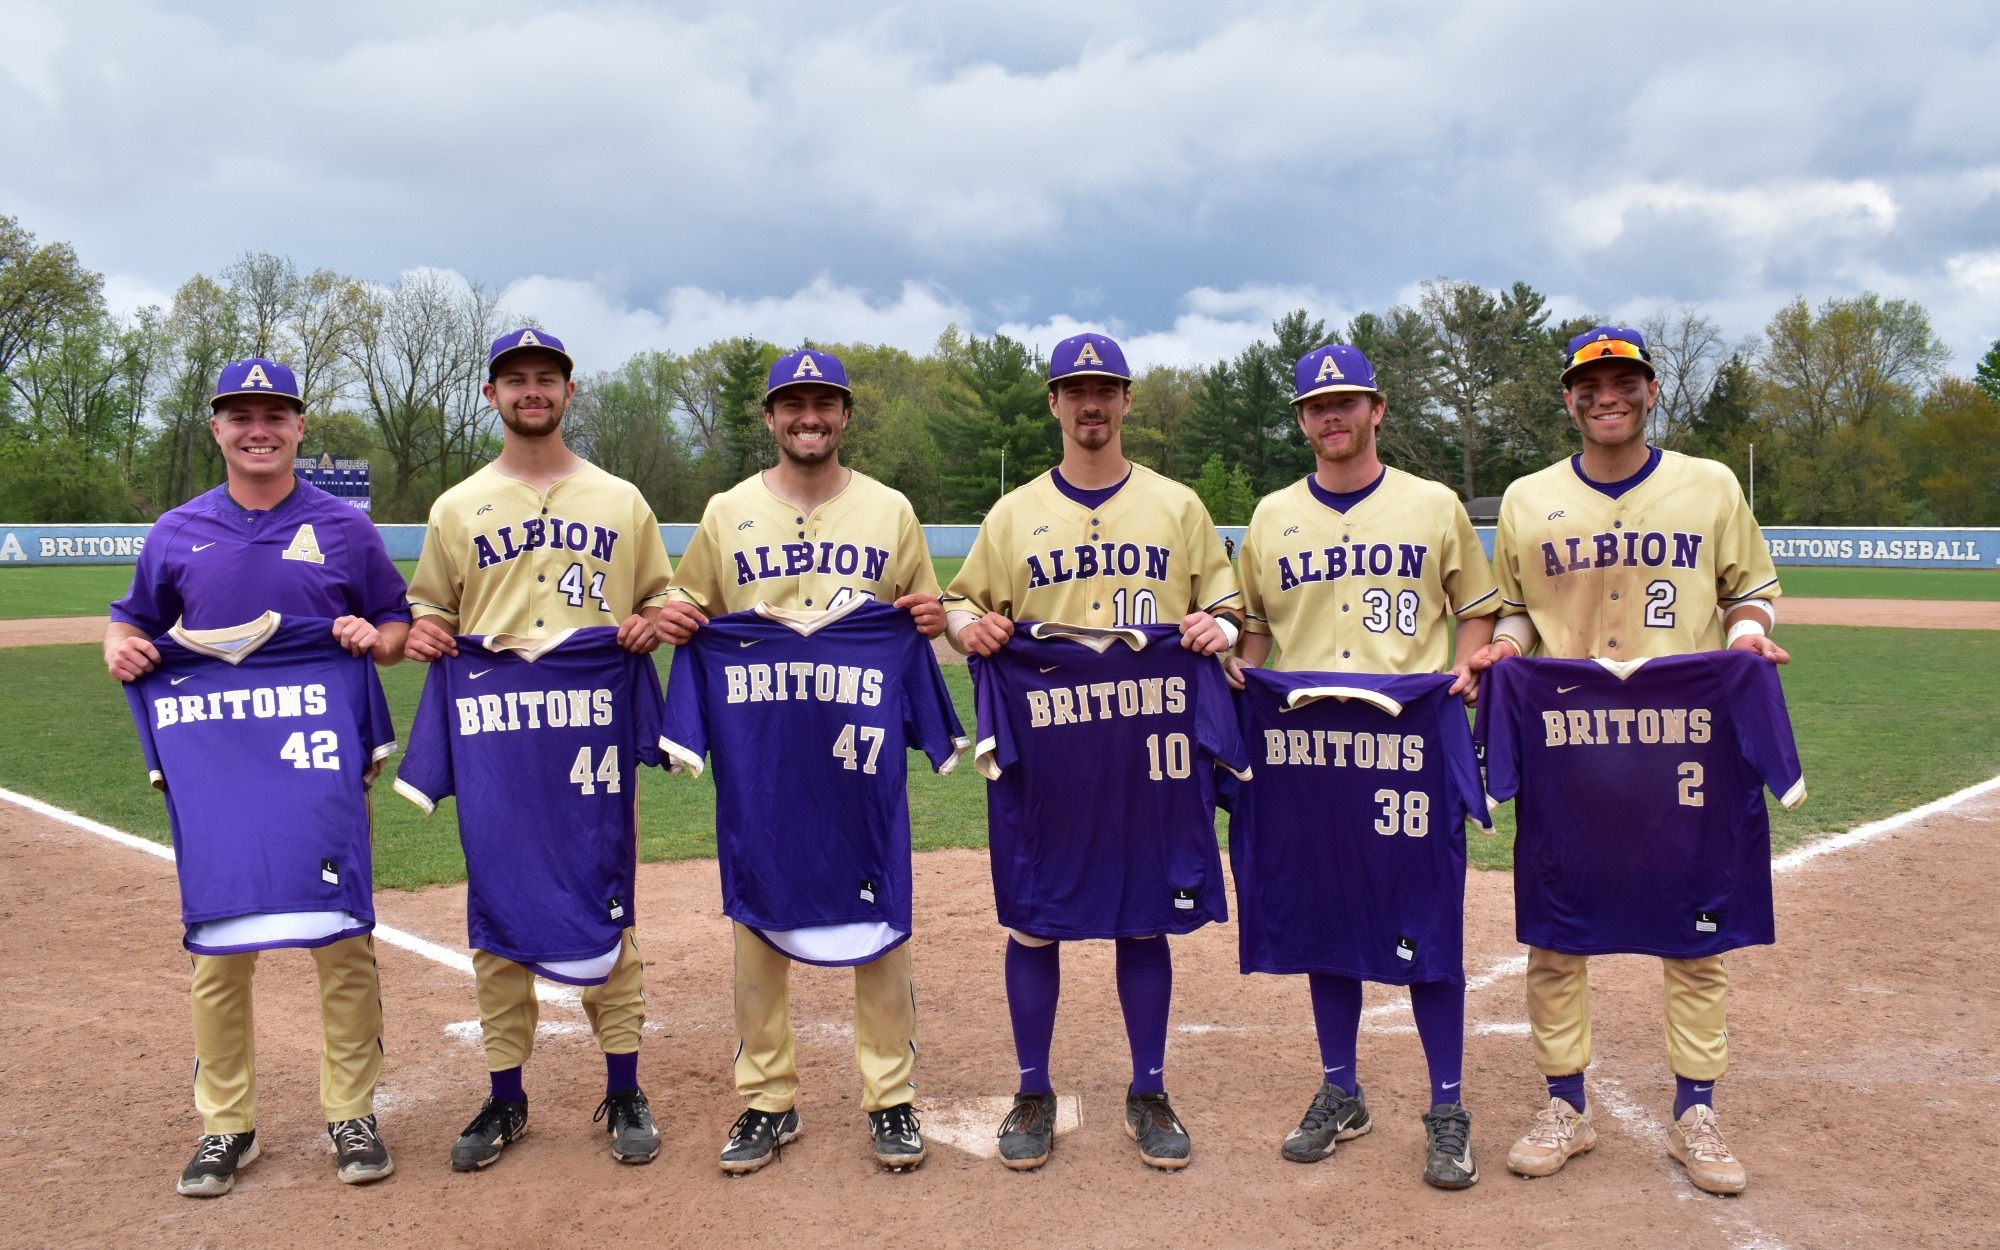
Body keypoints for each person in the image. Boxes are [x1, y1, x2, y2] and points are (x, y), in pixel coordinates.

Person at [1464, 325, 1787, 1195]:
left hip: (1683, 742)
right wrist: (1504, 647)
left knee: (1696, 932)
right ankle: (1565, 1104)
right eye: (1590, 384)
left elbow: (1750, 590)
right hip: (1570, 743)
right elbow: (1518, 608)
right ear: (1569, 400)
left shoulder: (1709, 485)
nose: (1607, 396)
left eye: (1624, 381)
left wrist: (1747, 638)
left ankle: (1696, 1112)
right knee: (1555, 933)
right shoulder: (1529, 497)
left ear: (1651, 391)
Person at [104, 356, 410, 1197]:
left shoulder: (344, 528)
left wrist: (371, 638)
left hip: (319, 770)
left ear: (300, 427)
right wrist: (119, 648)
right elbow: (130, 621)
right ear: (217, 430)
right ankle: (225, 1125)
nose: (259, 430)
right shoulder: (176, 531)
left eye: (275, 415)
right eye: (241, 416)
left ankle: (352, 1113)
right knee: (219, 950)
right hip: (223, 777)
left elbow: (395, 624)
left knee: (341, 939)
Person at [944, 332, 1240, 1171]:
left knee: (1144, 917)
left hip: (1148, 747)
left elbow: (1228, 608)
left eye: (1105, 389)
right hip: (1050, 750)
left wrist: (1215, 630)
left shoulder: (1177, 506)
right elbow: (960, 605)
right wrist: (973, 629)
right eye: (1076, 391)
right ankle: (1032, 1090)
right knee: (1034, 920)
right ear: (1054, 404)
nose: (1091, 404)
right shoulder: (1014, 514)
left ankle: (1149, 1090)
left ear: (1126, 400)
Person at [652, 348, 948, 1174]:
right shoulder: (728, 511)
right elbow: (689, 597)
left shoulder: (890, 510)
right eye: (793, 404)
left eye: (823, 404)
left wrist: (930, 616)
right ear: (772, 417)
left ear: (845, 415)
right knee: (758, 915)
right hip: (765, 754)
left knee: (879, 914)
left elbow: (927, 609)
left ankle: (890, 1098)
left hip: (858, 754)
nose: (808, 417)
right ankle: (767, 1101)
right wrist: (676, 613)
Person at [1225, 343, 1499, 1188]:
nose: (1331, 416)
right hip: (1306, 754)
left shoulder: (1433, 504)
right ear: (1302, 421)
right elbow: (1255, 632)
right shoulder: (1273, 515)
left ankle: (1447, 1106)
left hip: (1406, 747)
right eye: (1316, 406)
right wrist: (1239, 680)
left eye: (1346, 401)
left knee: (1428, 917)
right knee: (1326, 918)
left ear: (1376, 409)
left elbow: (1476, 607)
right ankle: (1341, 1090)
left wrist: (1464, 672)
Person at [402, 328, 674, 1171]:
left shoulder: (620, 500)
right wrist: (426, 631)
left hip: (590, 730)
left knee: (606, 894)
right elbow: (431, 607)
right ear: (491, 395)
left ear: (568, 391)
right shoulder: (457, 506)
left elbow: (664, 597)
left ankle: (623, 1087)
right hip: (499, 741)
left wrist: (651, 620)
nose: (531, 390)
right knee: (499, 906)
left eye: (545, 378)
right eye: (515, 379)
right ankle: (506, 1096)